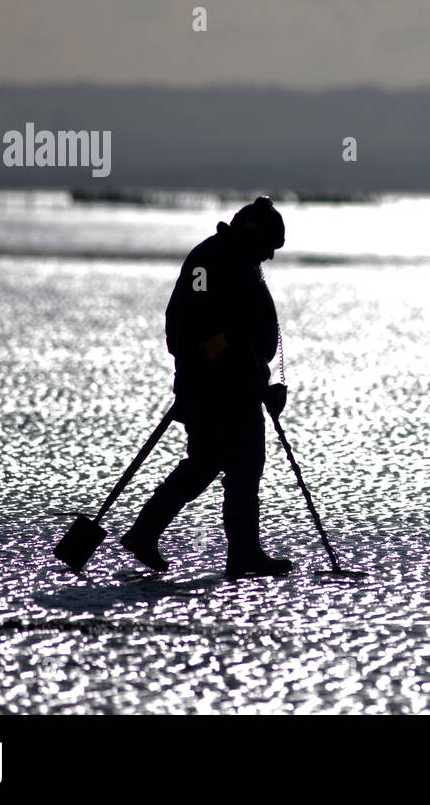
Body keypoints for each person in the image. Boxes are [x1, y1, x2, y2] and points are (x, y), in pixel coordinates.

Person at [120, 196, 293, 579]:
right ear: (252, 238)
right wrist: (248, 377)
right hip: (220, 389)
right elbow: (199, 329)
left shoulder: (230, 259)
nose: (269, 256)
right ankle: (243, 555)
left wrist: (263, 377)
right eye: (268, 246)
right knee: (244, 465)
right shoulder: (211, 263)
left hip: (222, 384)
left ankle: (144, 532)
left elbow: (238, 328)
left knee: (205, 464)